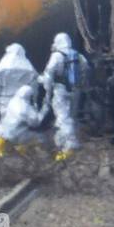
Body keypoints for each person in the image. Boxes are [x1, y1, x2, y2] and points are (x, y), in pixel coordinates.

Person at [40, 32, 89, 161]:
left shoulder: (56, 56)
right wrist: (81, 85)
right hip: (75, 91)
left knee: (62, 117)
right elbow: (86, 69)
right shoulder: (78, 55)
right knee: (72, 116)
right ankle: (64, 144)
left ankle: (70, 147)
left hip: (60, 90)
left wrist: (47, 91)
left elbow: (49, 73)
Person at [0, 43, 39, 154]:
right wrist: (34, 99)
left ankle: (1, 150)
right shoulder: (27, 66)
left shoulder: (2, 65)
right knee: (21, 124)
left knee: (5, 123)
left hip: (5, 98)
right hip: (21, 99)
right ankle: (21, 149)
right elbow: (34, 84)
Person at [0, 81, 47, 156]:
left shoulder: (12, 101)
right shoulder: (26, 108)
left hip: (4, 132)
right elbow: (35, 123)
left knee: (5, 130)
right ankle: (28, 152)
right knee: (41, 138)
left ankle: (0, 151)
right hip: (17, 135)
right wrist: (43, 111)